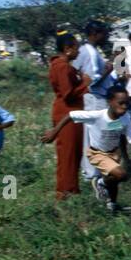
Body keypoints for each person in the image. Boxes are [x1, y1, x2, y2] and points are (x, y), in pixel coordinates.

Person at [40, 84, 131, 215]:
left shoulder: (124, 118)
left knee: (114, 180)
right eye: (121, 103)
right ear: (110, 102)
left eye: (127, 103)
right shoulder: (97, 115)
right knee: (121, 174)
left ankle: (112, 205)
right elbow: (71, 115)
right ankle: (100, 182)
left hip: (112, 153)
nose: (125, 106)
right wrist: (55, 131)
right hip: (97, 153)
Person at [48, 31, 87, 199]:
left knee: (72, 152)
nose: (78, 53)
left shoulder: (61, 65)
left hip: (69, 112)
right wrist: (85, 83)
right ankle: (65, 191)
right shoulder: (63, 67)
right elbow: (68, 94)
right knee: (68, 153)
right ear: (67, 49)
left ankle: (70, 188)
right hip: (67, 113)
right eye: (76, 49)